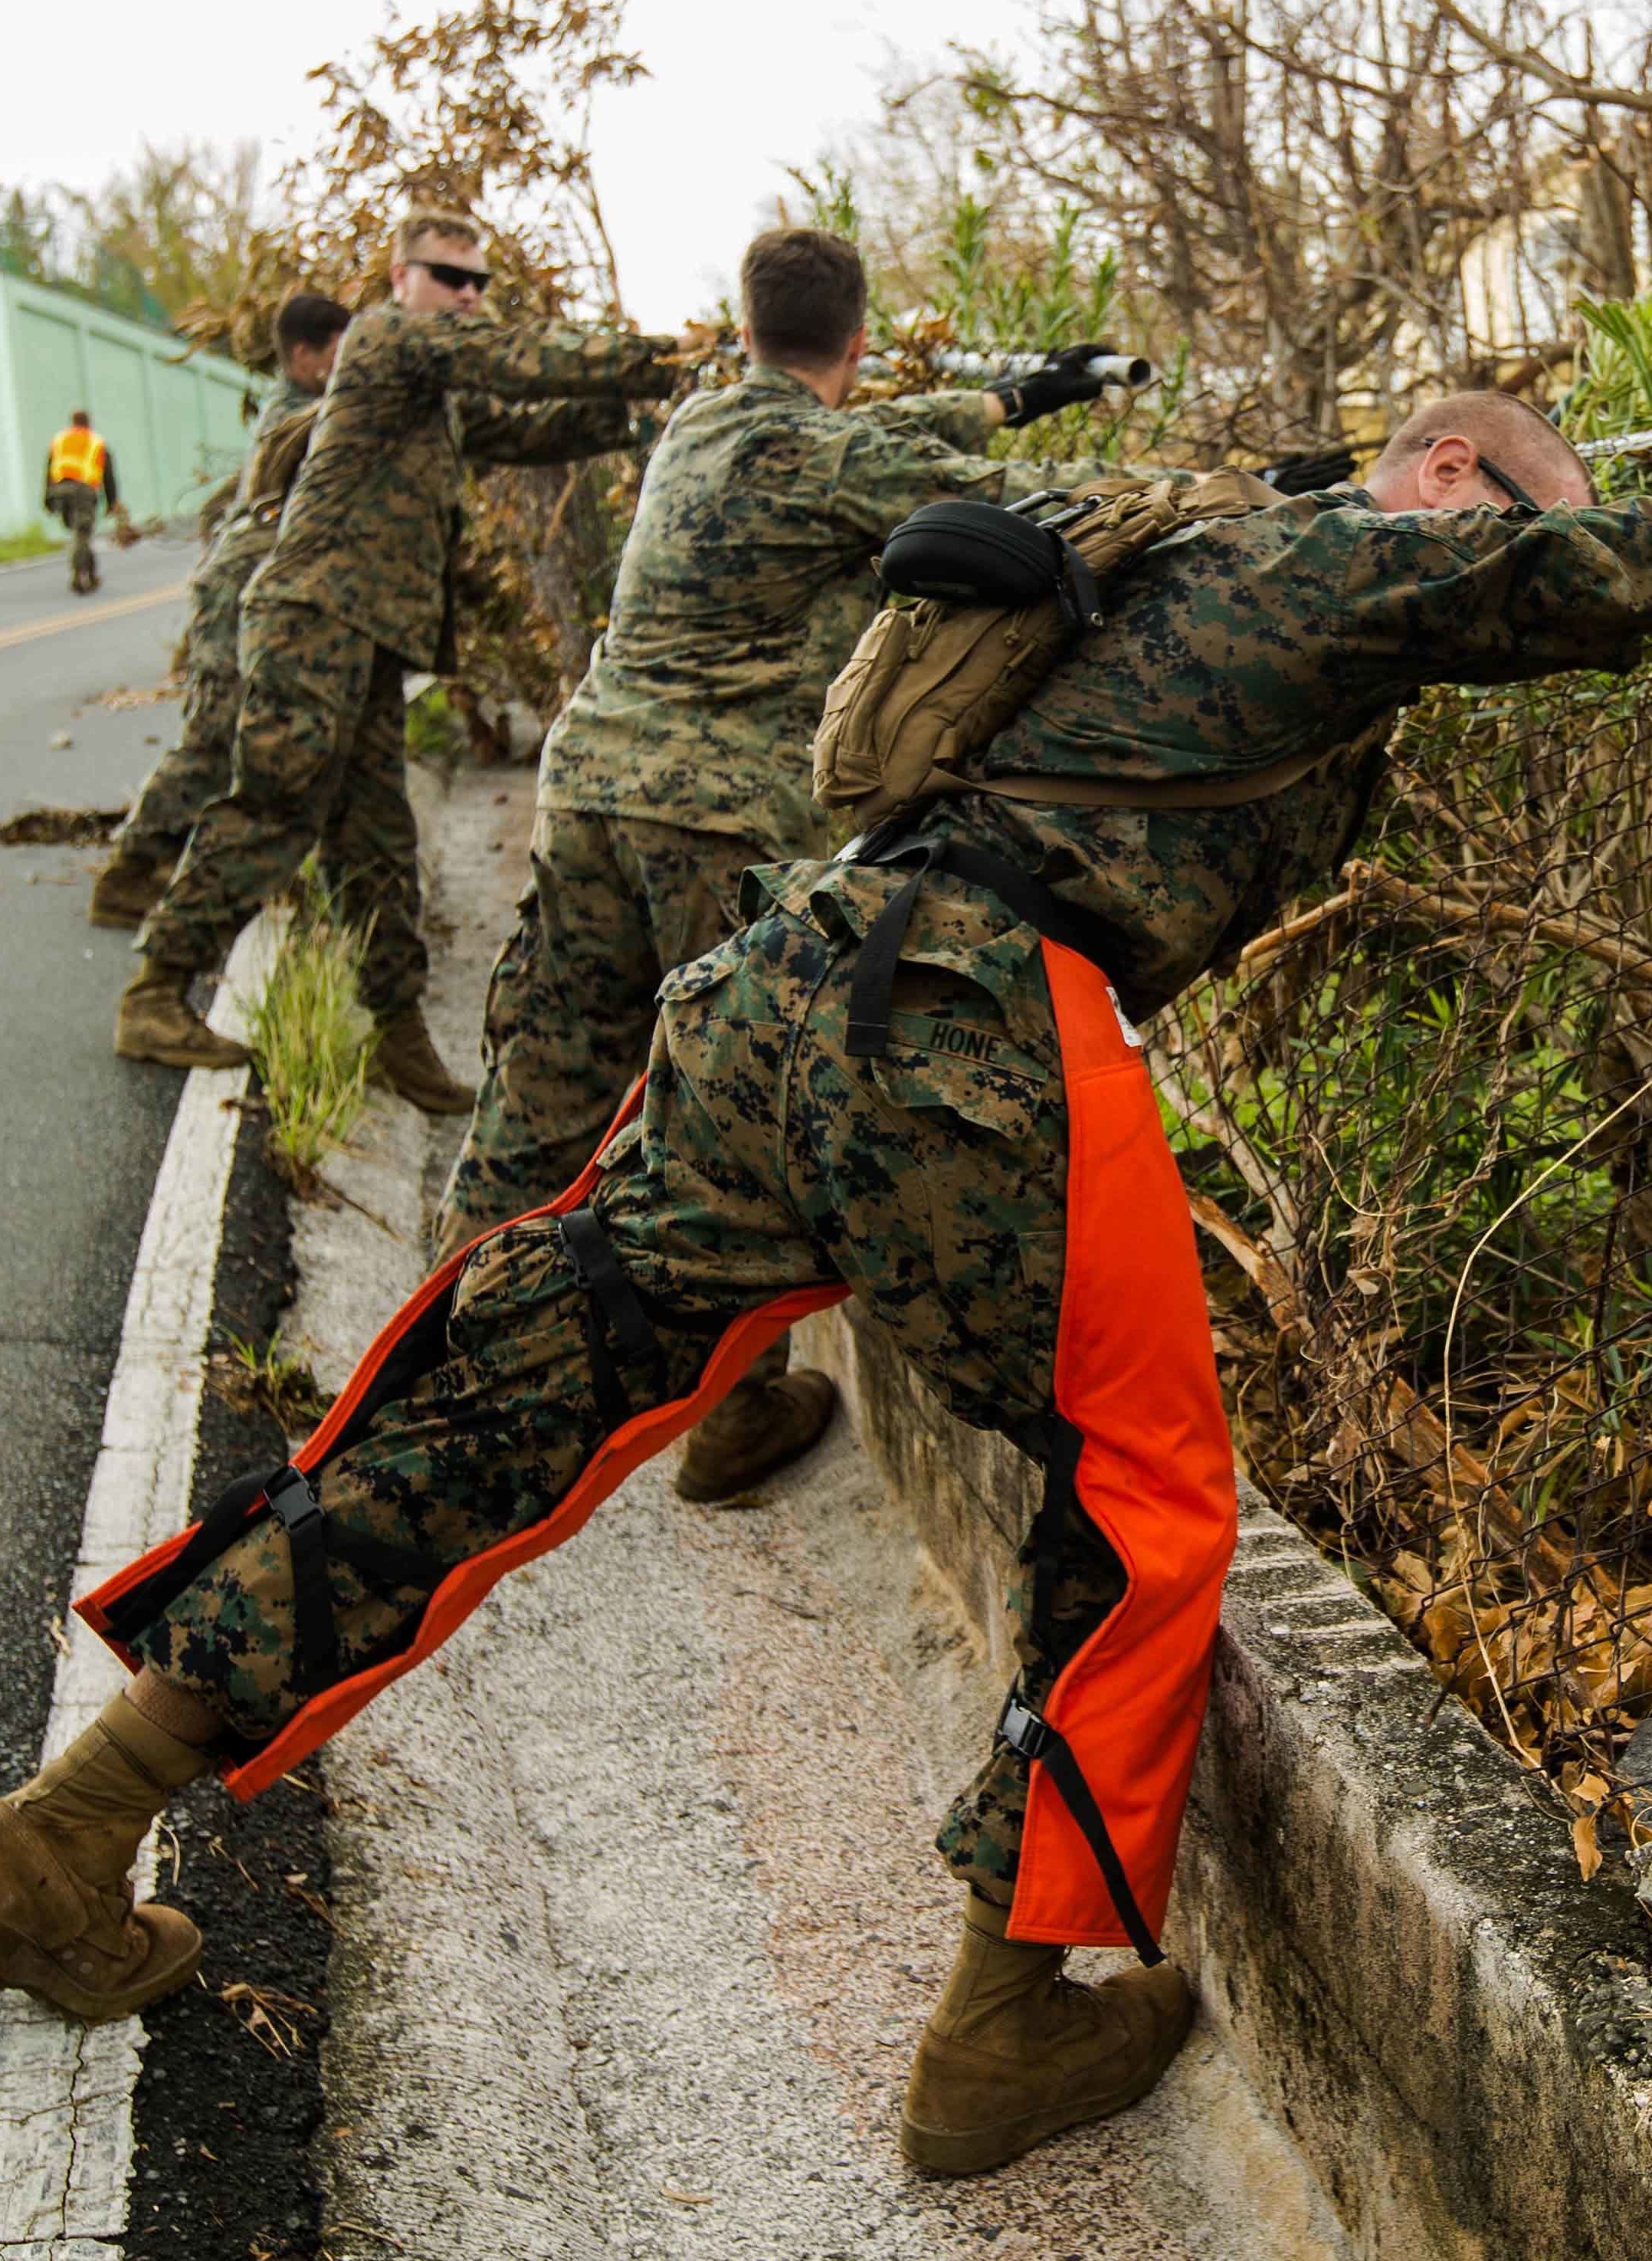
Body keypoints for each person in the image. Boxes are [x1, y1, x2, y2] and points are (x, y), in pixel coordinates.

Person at [0, 301, 1652, 2174]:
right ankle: (998, 2021)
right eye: (1509, 520)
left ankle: (61, 1835)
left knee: (512, 1403)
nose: (1512, 582)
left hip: (787, 981)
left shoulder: (1166, 540)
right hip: (975, 1022)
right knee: (1140, 1515)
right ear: (1448, 474)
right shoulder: (1353, 557)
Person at [441, 224, 1136, 1501]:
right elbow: (1003, 505)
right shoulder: (833, 462)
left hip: (586, 787)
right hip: (713, 823)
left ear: (745, 325)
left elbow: (872, 434)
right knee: (720, 1120)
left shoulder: (698, 428)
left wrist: (1017, 392)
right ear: (857, 337)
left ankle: (441, 1366)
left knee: (541, 1073)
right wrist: (1248, 485)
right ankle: (732, 1419)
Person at [110, 208, 684, 1114]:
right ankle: (154, 991)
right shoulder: (384, 344)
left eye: (479, 283)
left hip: (369, 638)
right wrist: (662, 356)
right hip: (310, 618)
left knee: (378, 842)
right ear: (399, 278)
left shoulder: (434, 399)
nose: (468, 297)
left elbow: (536, 425)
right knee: (276, 805)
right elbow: (519, 359)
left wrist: (644, 404)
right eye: (450, 277)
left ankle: (397, 1036)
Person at [90, 292, 356, 930]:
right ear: (305, 356)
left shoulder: (304, 406)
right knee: (211, 739)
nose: (352, 364)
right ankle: (128, 871)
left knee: (234, 742)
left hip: (255, 599)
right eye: (341, 351)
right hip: (233, 598)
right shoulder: (294, 417)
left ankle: (169, 863)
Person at [41, 410, 120, 594]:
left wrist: (47, 498)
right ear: (88, 423)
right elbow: (108, 476)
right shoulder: (96, 442)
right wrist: (112, 502)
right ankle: (78, 575)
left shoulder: (60, 440)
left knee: (80, 534)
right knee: (82, 533)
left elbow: (48, 469)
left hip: (59, 490)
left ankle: (91, 574)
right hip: (83, 491)